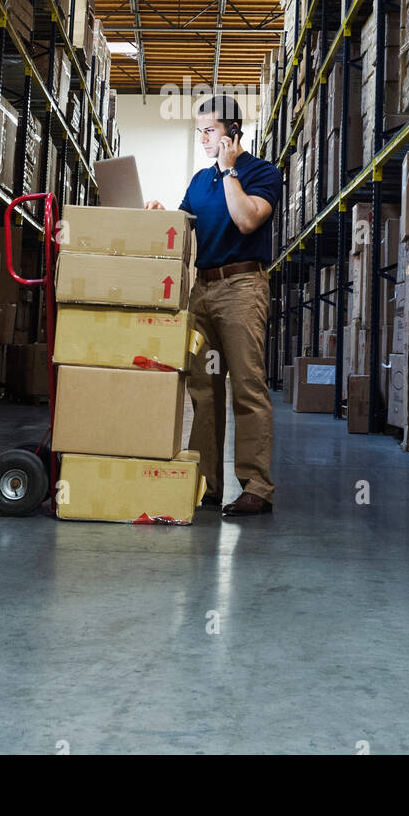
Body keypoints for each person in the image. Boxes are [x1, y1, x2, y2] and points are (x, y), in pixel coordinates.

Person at [145, 95, 281, 515]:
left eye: (210, 131)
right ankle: (206, 485)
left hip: (242, 288)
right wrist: (160, 215)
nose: (203, 139)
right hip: (201, 291)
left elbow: (247, 219)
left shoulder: (262, 173)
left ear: (233, 132)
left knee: (247, 387)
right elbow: (185, 231)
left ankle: (256, 487)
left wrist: (228, 172)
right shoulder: (198, 181)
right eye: (199, 131)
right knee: (203, 390)